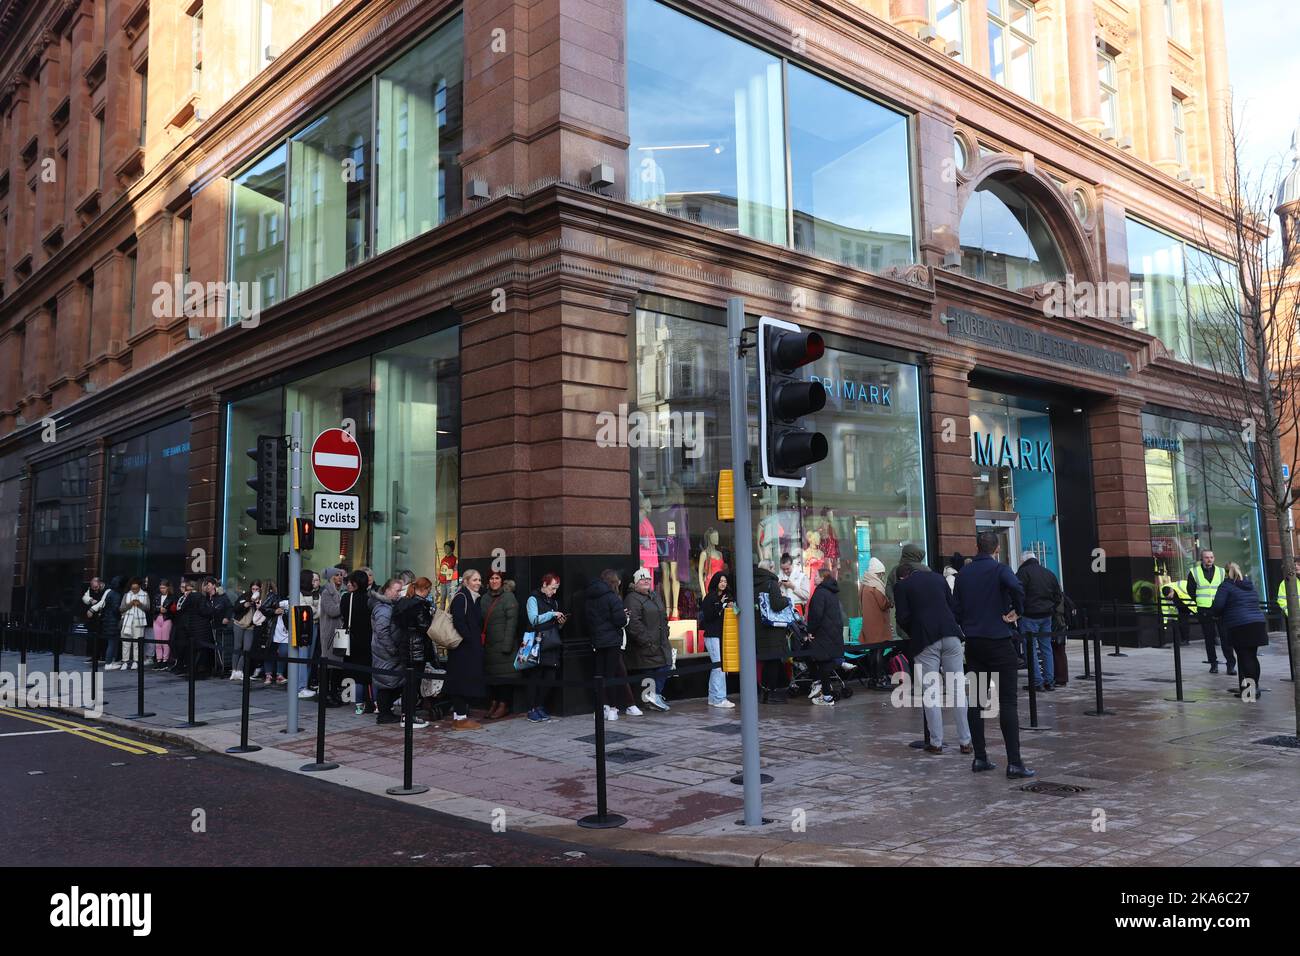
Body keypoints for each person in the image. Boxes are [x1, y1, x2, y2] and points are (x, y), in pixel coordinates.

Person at [953, 530, 1034, 779]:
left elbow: (956, 608)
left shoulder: (964, 573)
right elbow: (1017, 588)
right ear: (997, 549)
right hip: (998, 641)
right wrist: (1017, 611)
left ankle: (980, 758)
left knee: (976, 701)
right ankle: (1014, 763)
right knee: (1007, 701)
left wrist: (968, 623)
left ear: (977, 547)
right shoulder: (1000, 569)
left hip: (974, 642)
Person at [895, 561, 972, 755]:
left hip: (925, 640)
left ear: (903, 576)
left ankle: (936, 742)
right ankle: (966, 741)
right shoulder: (939, 579)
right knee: (957, 689)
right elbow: (953, 607)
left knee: (931, 692)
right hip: (951, 635)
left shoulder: (902, 586)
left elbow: (902, 618)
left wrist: (915, 631)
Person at [584, 570, 638, 722]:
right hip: (612, 641)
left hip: (597, 640)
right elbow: (620, 621)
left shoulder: (589, 597)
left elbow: (588, 620)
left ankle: (602, 707)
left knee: (599, 674)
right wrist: (625, 617)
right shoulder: (612, 597)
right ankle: (613, 709)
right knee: (611, 675)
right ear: (614, 582)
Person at [1211, 563, 1268, 698]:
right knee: (1252, 657)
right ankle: (1252, 688)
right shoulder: (1249, 585)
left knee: (1245, 658)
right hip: (1257, 623)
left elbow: (1218, 606)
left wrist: (1215, 613)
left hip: (1240, 625)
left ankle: (1251, 691)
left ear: (1225, 573)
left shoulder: (1226, 586)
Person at [625, 567, 673, 712]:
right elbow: (634, 624)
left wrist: (666, 632)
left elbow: (663, 616)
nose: (646, 581)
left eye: (648, 579)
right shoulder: (632, 599)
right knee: (651, 672)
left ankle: (655, 695)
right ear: (635, 583)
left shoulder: (655, 595)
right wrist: (647, 641)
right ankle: (653, 697)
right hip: (646, 645)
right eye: (642, 579)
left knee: (666, 666)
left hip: (661, 643)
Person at [1016, 551, 1062, 692]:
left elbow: (1017, 594)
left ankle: (1037, 681)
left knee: (1030, 650)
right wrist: (1050, 608)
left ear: (1023, 561)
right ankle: (1049, 680)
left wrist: (1018, 610)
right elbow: (1058, 595)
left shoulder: (1023, 573)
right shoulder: (1048, 573)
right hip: (1046, 615)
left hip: (1029, 615)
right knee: (1046, 648)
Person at [370, 578, 414, 725]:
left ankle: (386, 712)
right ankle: (384, 714)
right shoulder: (383, 609)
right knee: (387, 684)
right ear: (387, 590)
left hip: (388, 651)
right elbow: (382, 632)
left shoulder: (389, 606)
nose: (399, 593)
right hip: (386, 652)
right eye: (397, 590)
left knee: (392, 682)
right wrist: (392, 649)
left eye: (401, 590)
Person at [447, 568, 486, 729]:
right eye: (475, 580)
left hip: (467, 647)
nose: (478, 583)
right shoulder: (461, 597)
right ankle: (461, 718)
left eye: (479, 580)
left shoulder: (472, 597)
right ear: (466, 581)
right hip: (463, 648)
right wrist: (469, 639)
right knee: (461, 682)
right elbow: (459, 622)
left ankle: (459, 717)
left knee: (463, 681)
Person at [394, 576, 433, 725]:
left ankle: (406, 714)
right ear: (424, 589)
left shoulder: (403, 603)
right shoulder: (420, 605)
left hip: (405, 646)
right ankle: (409, 716)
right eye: (428, 589)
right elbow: (424, 626)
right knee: (413, 685)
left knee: (409, 684)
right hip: (417, 647)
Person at [482, 570, 520, 720]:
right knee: (492, 678)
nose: (494, 581)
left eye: (497, 578)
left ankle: (503, 705)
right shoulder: (484, 598)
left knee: (505, 678)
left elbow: (512, 622)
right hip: (489, 645)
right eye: (491, 578)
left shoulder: (508, 597)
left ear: (502, 580)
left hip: (504, 645)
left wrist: (507, 645)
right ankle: (494, 703)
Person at [1188, 549, 1233, 674]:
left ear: (1214, 558)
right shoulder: (1194, 572)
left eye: (1211, 557)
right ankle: (1213, 664)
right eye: (1207, 557)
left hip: (1220, 608)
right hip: (1204, 609)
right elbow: (1191, 590)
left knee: (1225, 637)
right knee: (1209, 639)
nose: (1209, 559)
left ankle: (1230, 665)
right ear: (1202, 559)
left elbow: (1227, 588)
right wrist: (1199, 600)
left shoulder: (1221, 571)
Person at [804, 568, 844, 706]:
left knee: (822, 663)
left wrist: (810, 631)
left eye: (816, 576)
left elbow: (815, 615)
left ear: (822, 578)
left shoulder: (820, 593)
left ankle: (826, 696)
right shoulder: (832, 592)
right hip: (832, 633)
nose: (814, 578)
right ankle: (826, 694)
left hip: (822, 634)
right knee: (825, 664)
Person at [754, 560, 792, 702]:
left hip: (759, 629)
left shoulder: (752, 583)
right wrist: (786, 600)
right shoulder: (771, 583)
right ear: (770, 568)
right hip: (773, 630)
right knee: (774, 661)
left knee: (768, 662)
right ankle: (771, 694)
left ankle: (765, 693)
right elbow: (776, 605)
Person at [697, 570, 735, 709]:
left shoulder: (728, 596)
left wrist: (732, 607)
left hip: (724, 635)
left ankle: (714, 697)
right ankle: (719, 698)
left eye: (725, 581)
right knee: (718, 666)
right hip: (712, 636)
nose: (723, 584)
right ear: (716, 582)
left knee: (719, 667)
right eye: (721, 581)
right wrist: (720, 605)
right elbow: (708, 616)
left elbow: (736, 612)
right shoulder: (710, 598)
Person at [341, 571, 375, 715]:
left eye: (351, 582)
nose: (348, 584)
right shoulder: (370, 599)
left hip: (350, 639)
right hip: (367, 638)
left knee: (354, 674)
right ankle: (372, 702)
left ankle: (358, 705)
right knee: (367, 673)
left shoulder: (346, 598)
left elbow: (343, 615)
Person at [315, 567, 346, 705]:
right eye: (337, 575)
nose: (340, 577)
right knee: (328, 664)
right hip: (329, 633)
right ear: (331, 577)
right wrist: (345, 603)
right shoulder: (327, 592)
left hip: (340, 633)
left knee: (338, 665)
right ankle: (326, 695)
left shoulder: (341, 592)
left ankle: (334, 693)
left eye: (341, 575)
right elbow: (332, 611)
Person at [116, 579, 149, 671]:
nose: (134, 590)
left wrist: (140, 604)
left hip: (139, 622)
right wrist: (130, 604)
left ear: (139, 587)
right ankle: (125, 661)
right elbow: (121, 609)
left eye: (136, 588)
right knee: (125, 642)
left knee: (137, 643)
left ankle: (136, 661)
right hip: (127, 621)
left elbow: (147, 608)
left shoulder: (145, 594)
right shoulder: (126, 595)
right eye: (132, 588)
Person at [94, 577, 123, 669]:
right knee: (112, 643)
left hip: (107, 620)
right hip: (113, 621)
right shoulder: (116, 595)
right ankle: (108, 663)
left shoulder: (109, 593)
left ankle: (109, 662)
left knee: (111, 643)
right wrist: (121, 613)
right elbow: (116, 609)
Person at [153, 579, 177, 670]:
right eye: (161, 588)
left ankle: (165, 660)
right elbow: (152, 608)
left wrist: (167, 610)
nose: (162, 589)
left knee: (165, 641)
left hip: (166, 619)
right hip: (157, 619)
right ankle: (159, 660)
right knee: (157, 641)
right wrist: (159, 609)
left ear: (168, 588)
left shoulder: (172, 597)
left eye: (164, 588)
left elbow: (174, 610)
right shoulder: (156, 596)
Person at [438, 541, 458, 609]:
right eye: (445, 548)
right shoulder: (443, 559)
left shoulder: (455, 559)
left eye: (447, 548)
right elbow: (441, 569)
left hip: (450, 582)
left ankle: (450, 613)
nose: (445, 549)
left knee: (450, 599)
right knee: (442, 598)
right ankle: (441, 613)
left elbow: (455, 571)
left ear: (452, 548)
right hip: (442, 582)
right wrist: (439, 579)